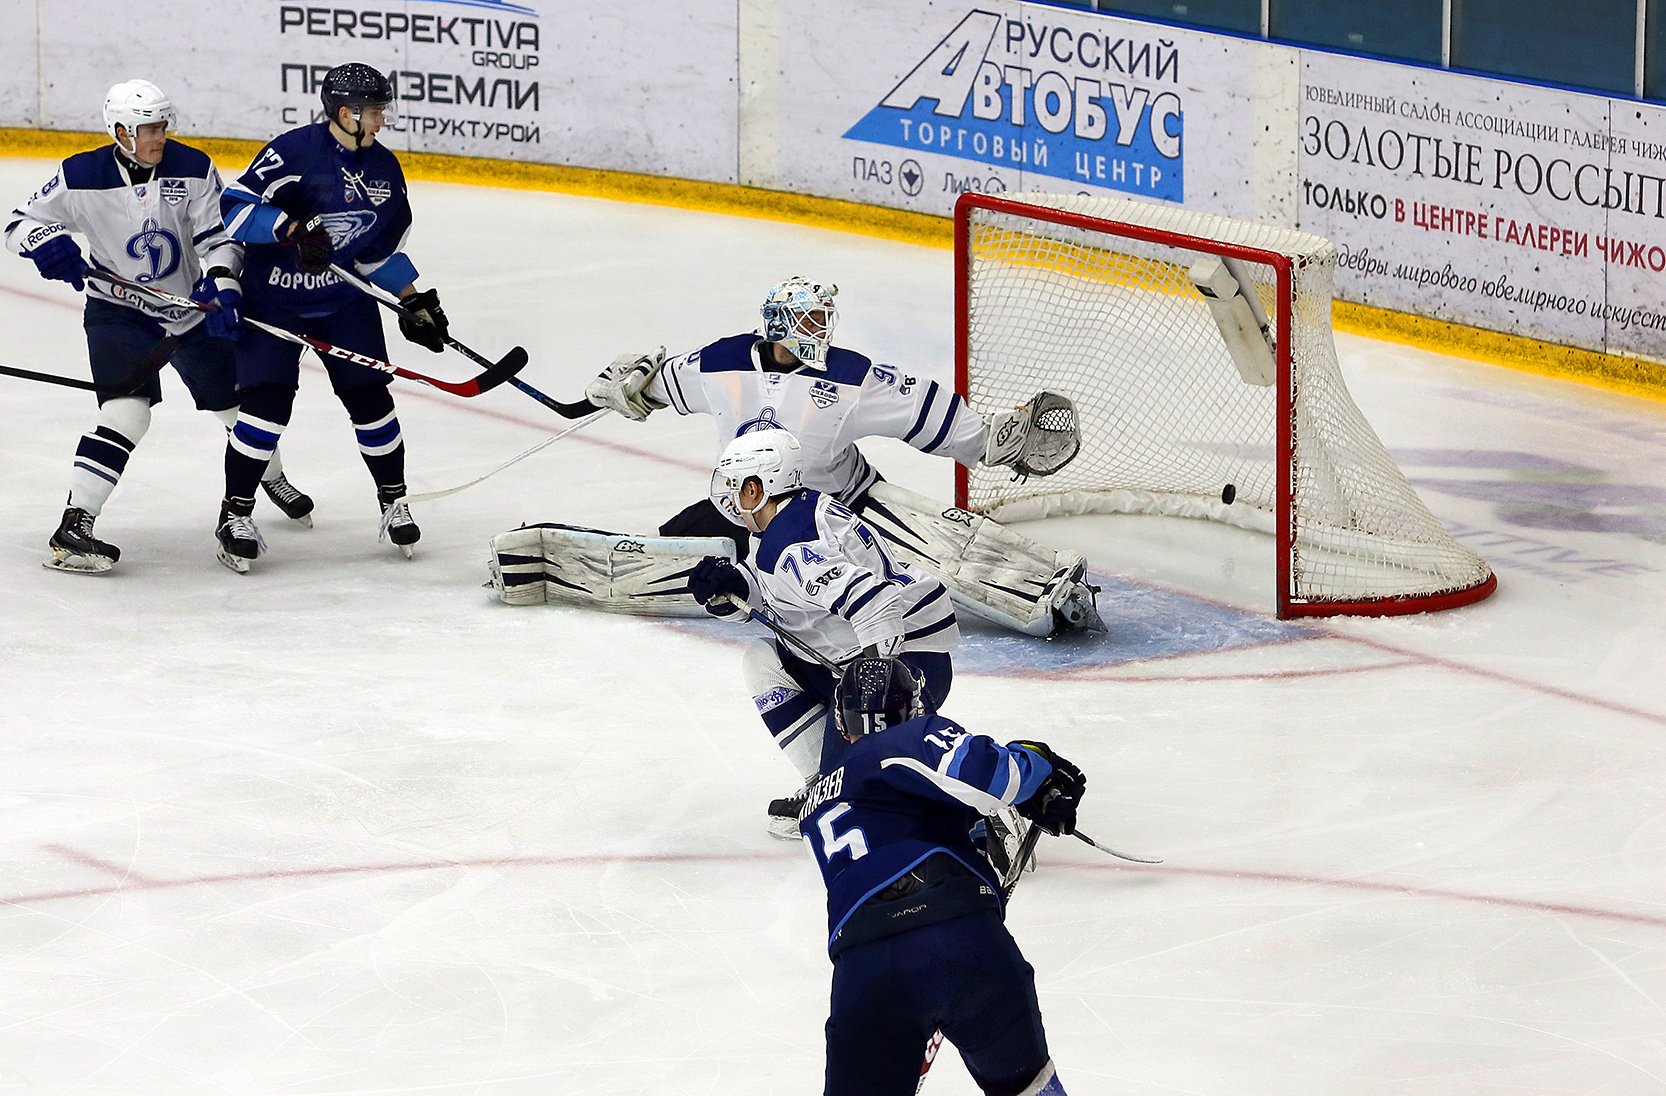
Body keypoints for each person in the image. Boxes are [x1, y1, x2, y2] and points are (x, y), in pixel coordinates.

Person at [579, 277, 1102, 636]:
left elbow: (921, 407)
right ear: (776, 324)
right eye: (806, 320)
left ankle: (1047, 588)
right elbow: (661, 383)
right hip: (749, 507)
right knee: (671, 559)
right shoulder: (722, 362)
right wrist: (632, 386)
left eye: (823, 319)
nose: (818, 331)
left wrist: (988, 440)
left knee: (955, 566)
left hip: (848, 509)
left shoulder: (850, 376)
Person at [4, 78, 312, 573]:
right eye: (148, 128)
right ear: (120, 130)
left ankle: (268, 477)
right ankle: (75, 524)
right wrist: (45, 239)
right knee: (128, 414)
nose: (159, 137)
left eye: (162, 126)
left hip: (190, 309)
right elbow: (16, 222)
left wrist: (220, 277)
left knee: (239, 407)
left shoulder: (193, 167)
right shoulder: (79, 174)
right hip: (118, 312)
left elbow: (220, 237)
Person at [800, 655, 1083, 1096]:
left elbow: (913, 823)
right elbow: (995, 775)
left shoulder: (816, 799)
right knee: (1029, 1088)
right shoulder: (910, 738)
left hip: (864, 967)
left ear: (840, 722)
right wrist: (1039, 765)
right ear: (914, 707)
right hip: (960, 938)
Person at [213, 62, 448, 572]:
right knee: (266, 407)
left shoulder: (384, 168)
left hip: (343, 302)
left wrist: (413, 299)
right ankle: (235, 513)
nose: (382, 121)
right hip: (272, 301)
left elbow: (375, 251)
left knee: (371, 399)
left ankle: (393, 501)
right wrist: (292, 229)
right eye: (375, 111)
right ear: (347, 113)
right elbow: (232, 209)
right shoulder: (293, 151)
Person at [688, 429, 959, 837]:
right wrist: (738, 588)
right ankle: (826, 779)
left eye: (734, 486)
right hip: (855, 658)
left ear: (756, 488)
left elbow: (877, 603)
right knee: (764, 662)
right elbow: (791, 596)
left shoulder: (790, 546)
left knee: (862, 806)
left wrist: (873, 689)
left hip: (912, 659)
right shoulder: (788, 517)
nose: (727, 498)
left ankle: (978, 818)